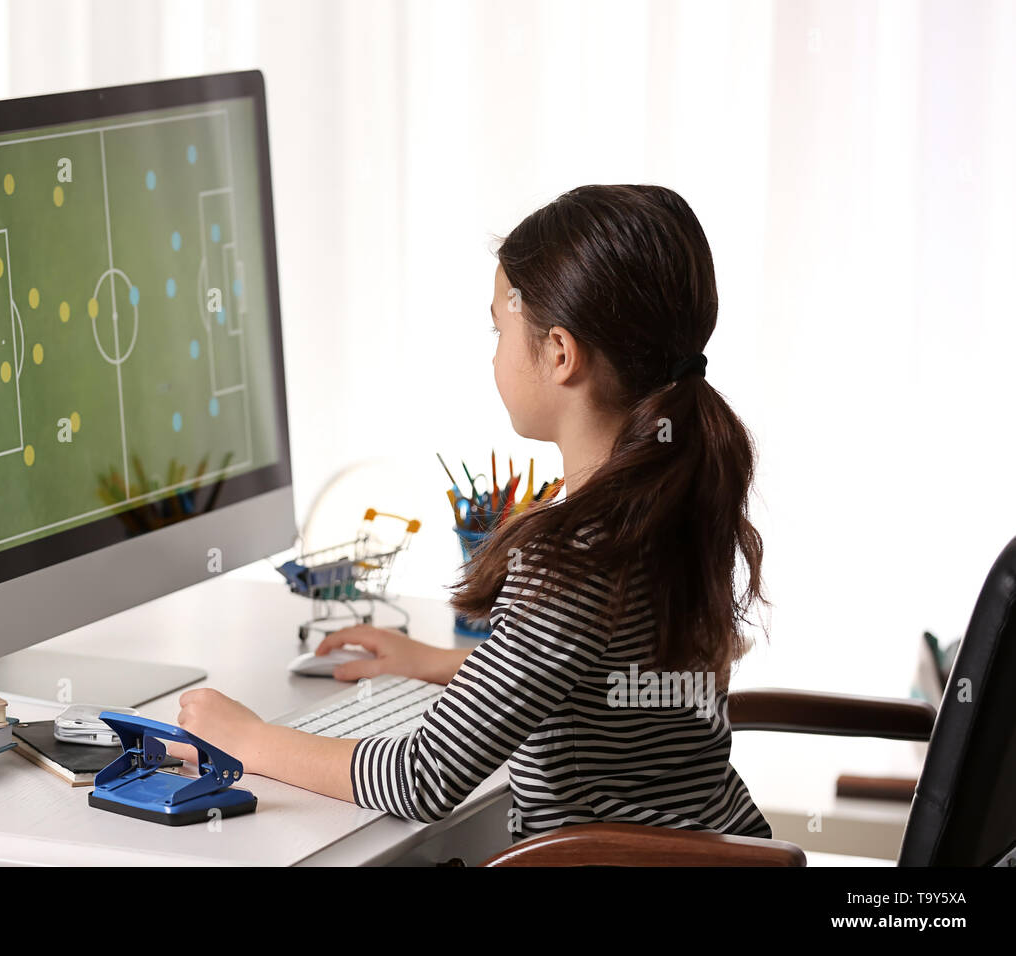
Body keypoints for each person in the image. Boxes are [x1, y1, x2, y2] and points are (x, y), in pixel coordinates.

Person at [169, 184, 772, 842]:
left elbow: (424, 777)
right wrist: (436, 663)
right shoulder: (670, 498)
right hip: (720, 849)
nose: (493, 352)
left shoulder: (573, 559)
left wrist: (250, 740)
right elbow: (597, 676)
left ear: (561, 353)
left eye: (500, 328)